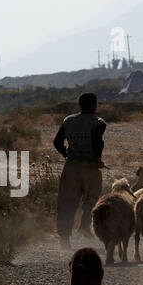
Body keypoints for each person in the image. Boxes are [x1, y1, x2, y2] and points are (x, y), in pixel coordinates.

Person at [53, 92, 107, 247]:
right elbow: (98, 143)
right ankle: (84, 225)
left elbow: (57, 142)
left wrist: (67, 154)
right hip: (90, 167)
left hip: (71, 167)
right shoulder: (99, 122)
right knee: (92, 198)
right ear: (95, 105)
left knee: (67, 203)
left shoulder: (68, 121)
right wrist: (97, 160)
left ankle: (65, 238)